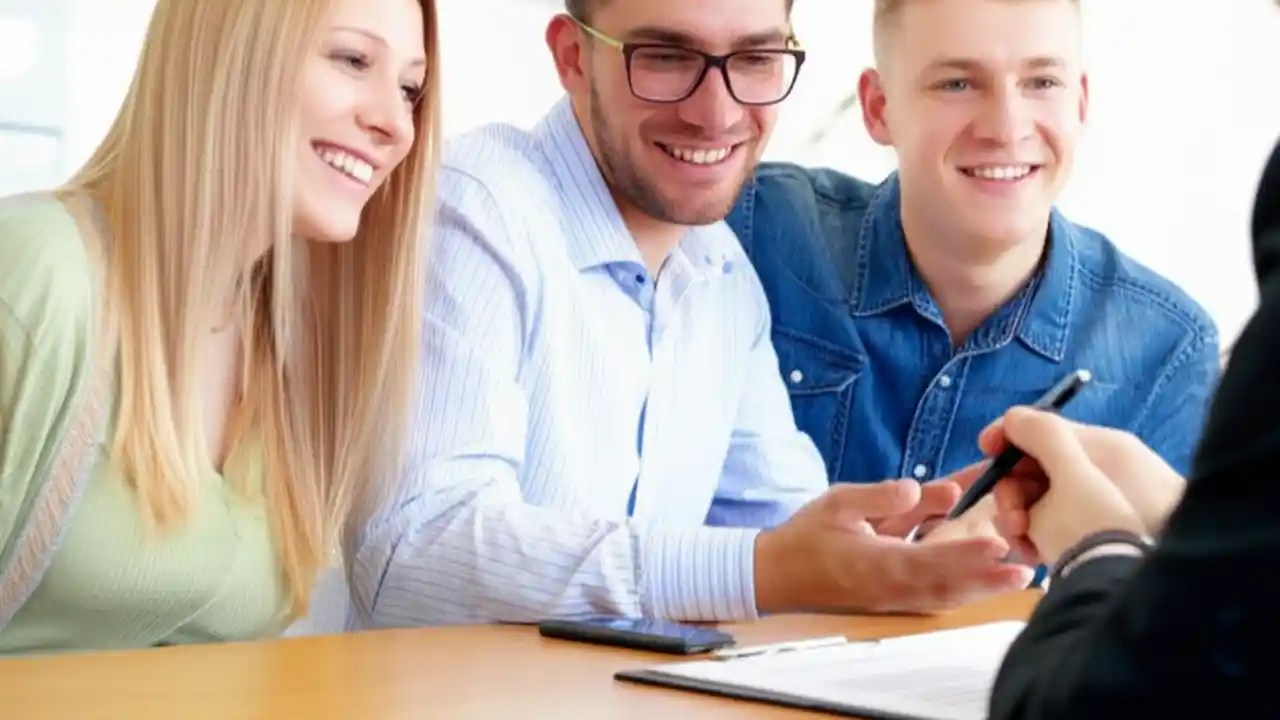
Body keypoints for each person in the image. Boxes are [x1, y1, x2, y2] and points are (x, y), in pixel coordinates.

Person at [347, 0, 1033, 629]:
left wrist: (918, 538)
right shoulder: (475, 208)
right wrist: (767, 569)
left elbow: (787, 532)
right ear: (571, 58)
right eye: (666, 57)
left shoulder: (723, 275)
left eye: (756, 59)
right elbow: (413, 556)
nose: (717, 113)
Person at [0, 0, 440, 655]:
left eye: (410, 89)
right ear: (231, 48)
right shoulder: (41, 276)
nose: (395, 124)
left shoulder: (284, 345)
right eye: (353, 60)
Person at [724, 0, 1220, 525]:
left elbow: (1172, 597)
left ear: (1080, 102)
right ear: (878, 108)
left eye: (1042, 83)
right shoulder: (750, 233)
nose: (1006, 128)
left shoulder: (1168, 350)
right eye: (957, 83)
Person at [971, 139, 1280, 716]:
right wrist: (1177, 511)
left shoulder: (1169, 331)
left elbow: (1099, 702)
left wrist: (1096, 549)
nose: (1005, 126)